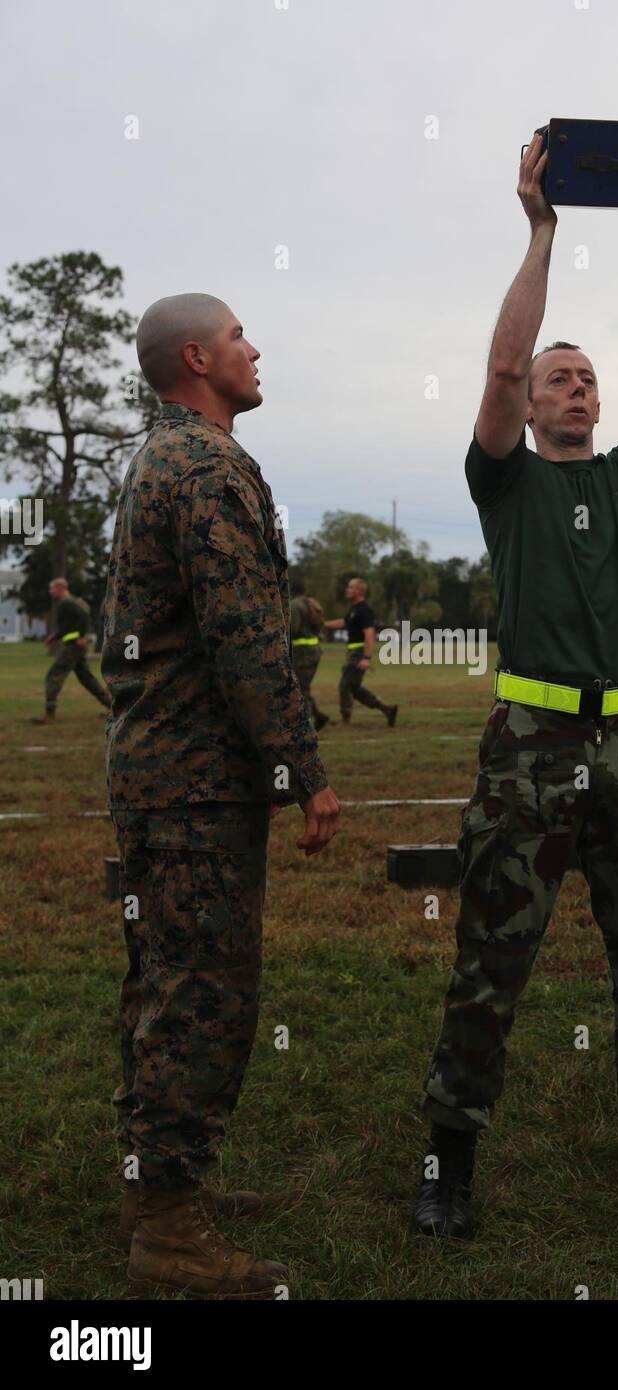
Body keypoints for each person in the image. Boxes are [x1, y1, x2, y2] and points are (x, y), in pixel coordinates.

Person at [414, 133, 618, 1239]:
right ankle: (448, 1161)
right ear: (534, 400)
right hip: (530, 747)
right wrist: (542, 230)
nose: (576, 383)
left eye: (587, 374)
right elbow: (499, 370)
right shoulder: (500, 481)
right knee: (492, 956)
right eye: (562, 374)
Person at [102, 292, 341, 1298]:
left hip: (162, 776)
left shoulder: (162, 456)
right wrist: (304, 772)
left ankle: (165, 1185)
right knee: (203, 995)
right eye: (240, 335)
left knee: (162, 984)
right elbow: (245, 637)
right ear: (197, 357)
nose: (255, 349)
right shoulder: (201, 465)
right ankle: (169, 1232)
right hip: (196, 783)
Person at [31, 577, 111, 724]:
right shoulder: (75, 602)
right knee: (87, 679)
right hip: (75, 646)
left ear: (60, 588)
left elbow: (82, 618)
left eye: (51, 589)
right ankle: (113, 707)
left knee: (53, 675)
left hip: (73, 647)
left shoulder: (65, 603)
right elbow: (70, 626)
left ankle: (49, 714)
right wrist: (56, 637)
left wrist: (81, 636)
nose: (50, 592)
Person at [322, 577, 398, 726]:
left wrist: (366, 657)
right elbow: (343, 622)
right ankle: (388, 710)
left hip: (358, 652)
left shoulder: (364, 610)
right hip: (353, 652)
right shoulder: (354, 609)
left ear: (359, 591)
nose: (347, 589)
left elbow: (369, 634)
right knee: (354, 688)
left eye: (350, 587)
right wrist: (322, 624)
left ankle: (345, 719)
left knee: (345, 685)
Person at [290, 578, 329, 730]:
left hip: (302, 652)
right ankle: (319, 716)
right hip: (314, 649)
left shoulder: (294, 605)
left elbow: (292, 629)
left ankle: (306, 725)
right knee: (303, 686)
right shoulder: (311, 603)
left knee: (299, 688)